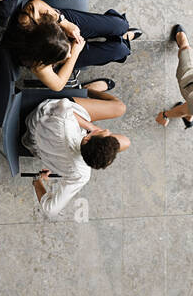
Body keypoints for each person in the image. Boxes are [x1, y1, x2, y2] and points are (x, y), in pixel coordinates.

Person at [24, 82, 130, 220]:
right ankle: (89, 92)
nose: (107, 130)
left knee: (120, 108)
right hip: (40, 148)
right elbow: (50, 210)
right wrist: (37, 181)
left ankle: (88, 90)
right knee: (126, 142)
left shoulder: (65, 120)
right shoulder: (82, 175)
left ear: (86, 138)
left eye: (104, 133)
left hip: (40, 122)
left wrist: (90, 126)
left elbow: (61, 106)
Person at [2, 0, 140, 91]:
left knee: (120, 25)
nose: (67, 54)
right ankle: (123, 40)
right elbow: (58, 85)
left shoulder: (28, 20)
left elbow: (36, 3)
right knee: (120, 50)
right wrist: (73, 53)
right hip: (70, 51)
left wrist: (65, 23)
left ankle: (122, 33)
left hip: (65, 25)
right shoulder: (38, 65)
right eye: (63, 55)